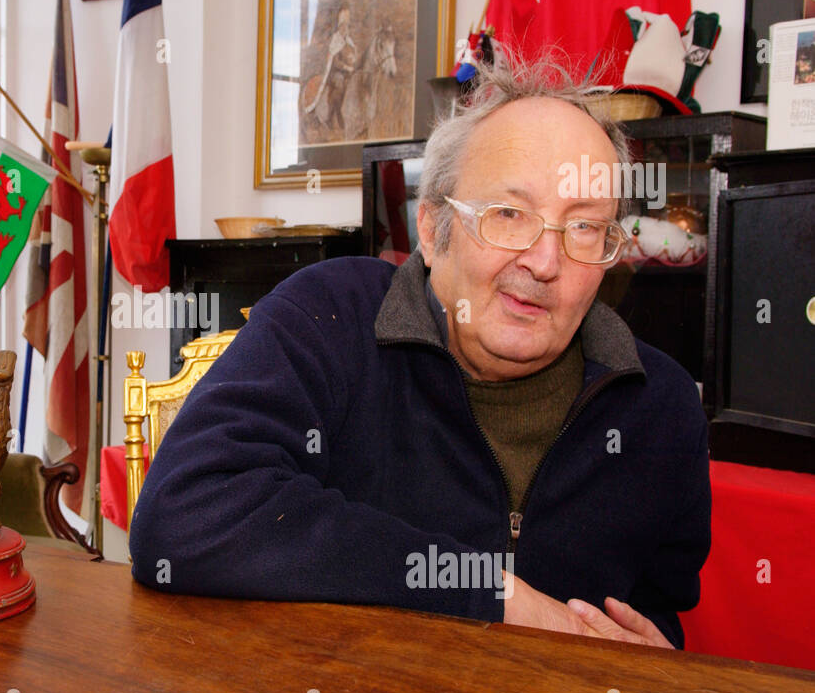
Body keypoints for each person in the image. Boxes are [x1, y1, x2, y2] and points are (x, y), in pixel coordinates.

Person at [129, 58, 710, 649]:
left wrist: (657, 661)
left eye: (584, 227)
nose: (545, 262)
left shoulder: (660, 403)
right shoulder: (331, 316)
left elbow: (657, 613)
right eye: (508, 215)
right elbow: (185, 513)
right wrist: (492, 593)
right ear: (432, 230)